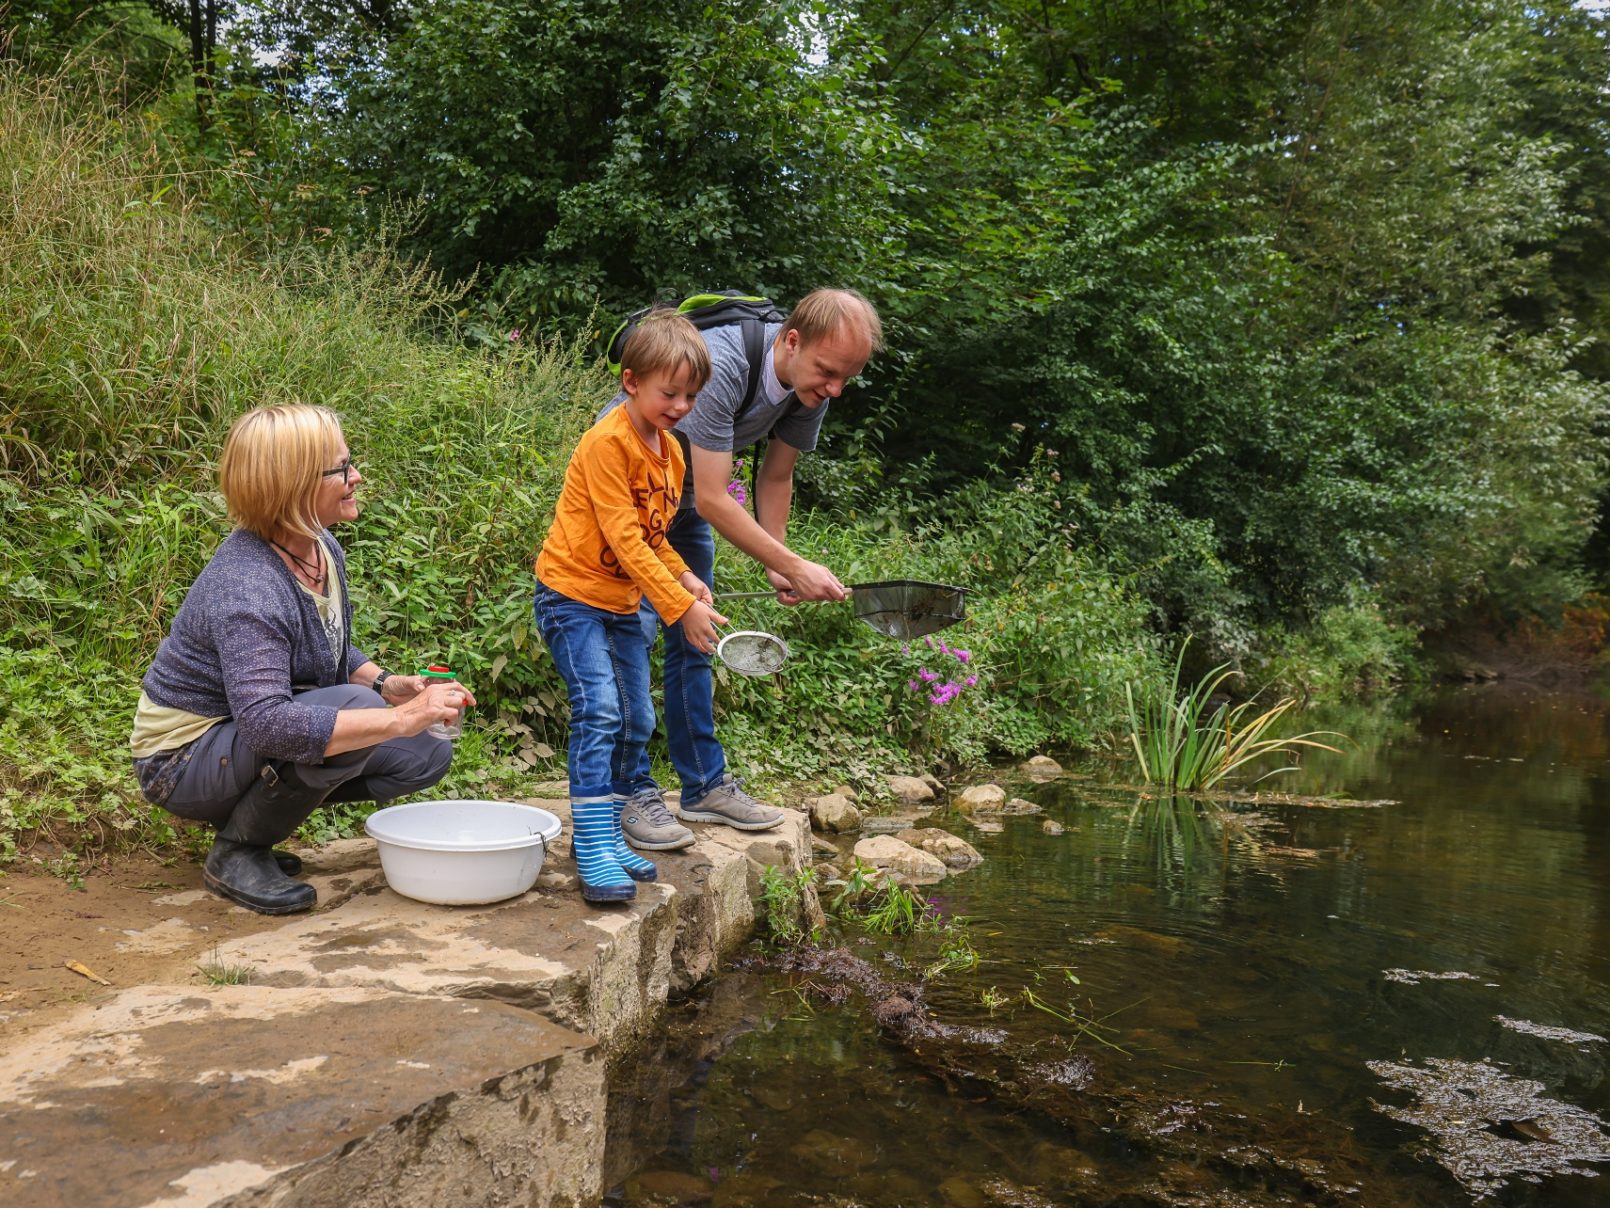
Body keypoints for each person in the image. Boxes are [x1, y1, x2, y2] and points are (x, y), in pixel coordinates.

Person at [130, 405, 474, 915]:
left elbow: (323, 642)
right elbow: (266, 724)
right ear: (291, 485)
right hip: (181, 761)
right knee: (371, 719)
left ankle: (253, 821)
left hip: (238, 741)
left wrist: (387, 685)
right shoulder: (248, 586)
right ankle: (237, 850)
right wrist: (398, 718)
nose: (356, 477)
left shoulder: (320, 547)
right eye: (341, 468)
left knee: (425, 751)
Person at [606, 289, 883, 852]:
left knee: (698, 638)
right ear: (792, 340)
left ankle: (704, 788)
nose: (834, 389)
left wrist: (778, 563)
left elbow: (775, 477)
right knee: (631, 636)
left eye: (846, 379)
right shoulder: (725, 363)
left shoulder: (811, 388)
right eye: (828, 372)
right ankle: (627, 790)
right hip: (628, 501)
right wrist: (794, 566)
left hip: (681, 502)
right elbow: (715, 498)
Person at [533, 311, 725, 902]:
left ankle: (610, 831)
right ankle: (591, 842)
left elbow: (654, 536)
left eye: (691, 395)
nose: (681, 406)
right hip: (571, 598)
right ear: (631, 381)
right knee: (599, 710)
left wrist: (686, 577)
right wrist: (679, 608)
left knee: (637, 718)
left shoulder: (672, 454)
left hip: (621, 603)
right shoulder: (606, 442)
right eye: (670, 393)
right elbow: (623, 538)